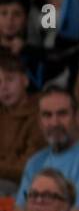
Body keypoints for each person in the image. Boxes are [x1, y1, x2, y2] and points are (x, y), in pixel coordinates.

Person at [0, 49, 40, 193]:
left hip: (24, 185)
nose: (3, 87)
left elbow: (30, 166)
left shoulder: (41, 113)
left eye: (10, 79)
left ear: (25, 80)